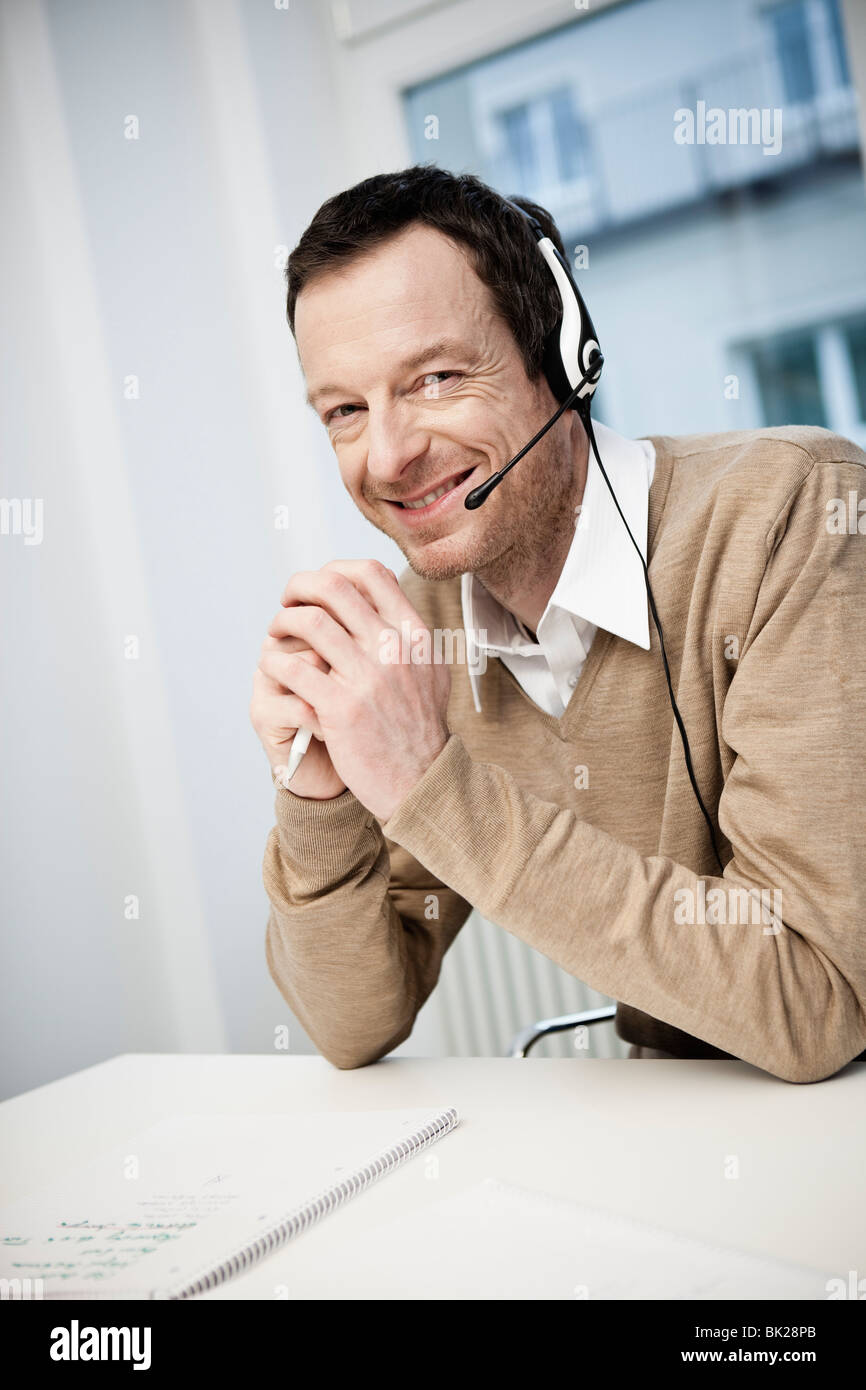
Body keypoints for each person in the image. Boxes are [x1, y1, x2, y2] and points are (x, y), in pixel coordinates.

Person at [250, 165, 866, 1083]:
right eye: (344, 410)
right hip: (681, 1126)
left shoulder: (791, 512)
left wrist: (429, 780)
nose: (386, 456)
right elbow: (352, 1024)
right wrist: (320, 796)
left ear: (563, 355)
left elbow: (818, 1001)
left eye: (437, 378)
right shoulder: (424, 626)